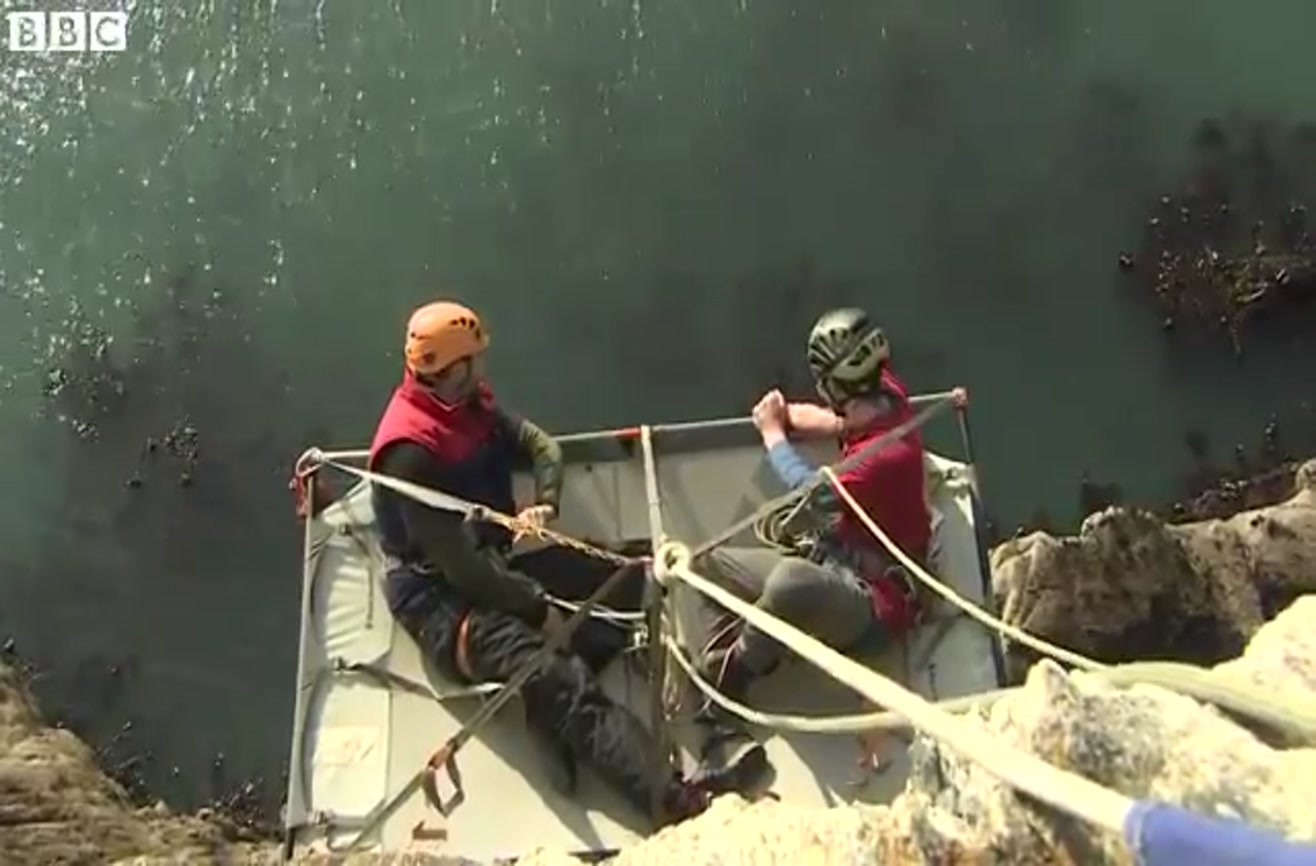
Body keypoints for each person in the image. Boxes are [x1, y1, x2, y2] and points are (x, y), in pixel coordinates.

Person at [367, 299, 731, 826]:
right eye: (474, 361)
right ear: (455, 367)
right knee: (558, 674)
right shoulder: (410, 454)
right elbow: (460, 569)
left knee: (628, 571)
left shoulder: (466, 405)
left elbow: (541, 447)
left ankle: (546, 713)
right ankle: (667, 797)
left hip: (489, 558)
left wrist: (548, 499)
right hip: (440, 600)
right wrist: (538, 610)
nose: (481, 370)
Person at [684, 307, 941, 773]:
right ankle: (736, 664)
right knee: (708, 563)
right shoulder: (888, 396)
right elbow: (845, 424)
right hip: (842, 558)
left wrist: (772, 433)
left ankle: (729, 679)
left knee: (789, 581)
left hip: (878, 601)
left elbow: (808, 492)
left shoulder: (880, 461)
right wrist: (794, 419)